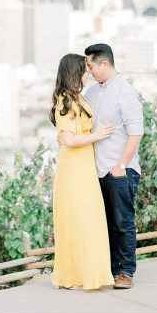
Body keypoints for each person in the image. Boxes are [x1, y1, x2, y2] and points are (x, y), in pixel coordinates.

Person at [49, 53, 115, 290]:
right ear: (74, 72)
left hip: (84, 165)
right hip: (74, 167)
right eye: (84, 69)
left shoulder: (76, 97)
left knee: (88, 218)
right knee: (81, 218)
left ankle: (85, 274)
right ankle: (78, 275)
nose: (88, 73)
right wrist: (97, 135)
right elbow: (68, 139)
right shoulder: (65, 100)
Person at [84, 43, 144, 289]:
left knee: (122, 222)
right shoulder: (91, 92)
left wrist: (121, 165)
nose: (88, 71)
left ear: (104, 63)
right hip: (95, 170)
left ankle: (124, 272)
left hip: (120, 170)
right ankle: (106, 269)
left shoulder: (125, 92)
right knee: (103, 223)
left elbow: (136, 133)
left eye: (90, 65)